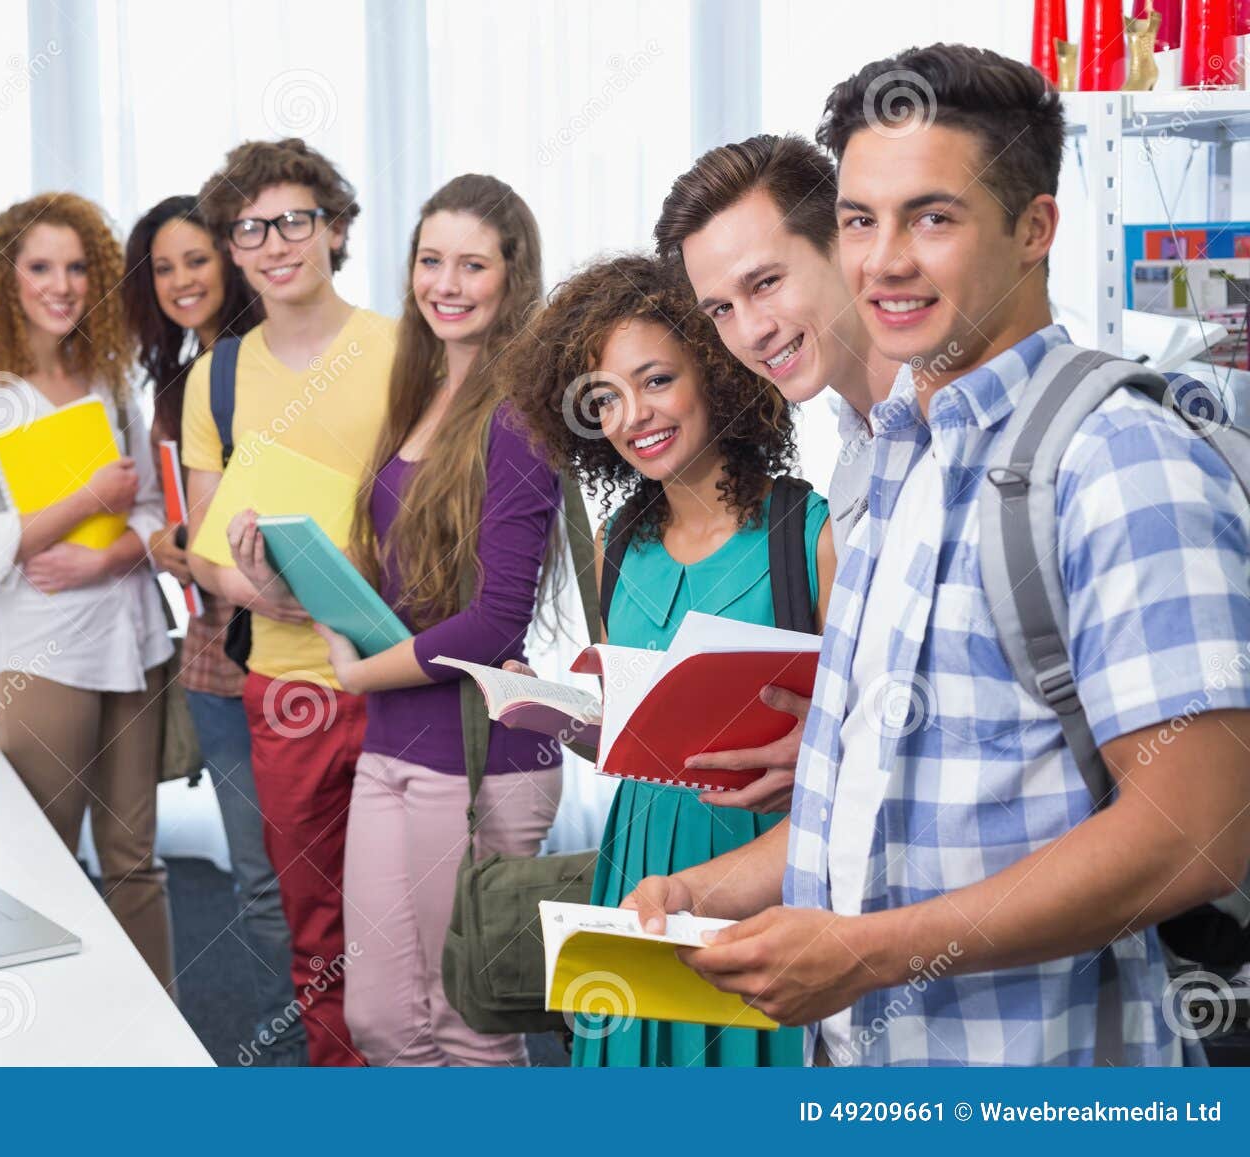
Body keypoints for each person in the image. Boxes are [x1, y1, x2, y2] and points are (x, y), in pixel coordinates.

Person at [626, 43, 1250, 1067]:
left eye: (931, 218)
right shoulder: (889, 463)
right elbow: (872, 810)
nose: (883, 261)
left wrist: (867, 954)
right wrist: (700, 892)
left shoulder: (1118, 457)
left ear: (1034, 229)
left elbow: (1194, 831)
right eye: (859, 221)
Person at [253, 174, 566, 1065]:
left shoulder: (518, 417)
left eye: (473, 264)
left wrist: (359, 674)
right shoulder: (419, 396)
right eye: (432, 261)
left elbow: (494, 622)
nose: (446, 284)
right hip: (394, 742)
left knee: (469, 1027)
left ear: (513, 277)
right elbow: (401, 588)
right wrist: (281, 572)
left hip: (478, 756)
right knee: (382, 1021)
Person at [505, 254, 835, 1067]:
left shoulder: (810, 535)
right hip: (642, 852)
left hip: (770, 855)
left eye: (656, 380)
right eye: (606, 398)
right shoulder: (616, 543)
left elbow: (855, 744)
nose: (634, 415)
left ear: (715, 373)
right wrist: (555, 713)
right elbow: (645, 736)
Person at [182, 138, 396, 1067]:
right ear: (233, 248)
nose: (274, 244)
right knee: (316, 927)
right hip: (287, 687)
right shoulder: (218, 376)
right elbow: (203, 544)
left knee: (416, 916)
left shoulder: (403, 351)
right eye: (251, 228)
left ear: (335, 229)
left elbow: (446, 515)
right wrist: (259, 588)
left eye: (294, 221)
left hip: (398, 674)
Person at [0, 191, 175, 991]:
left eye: (77, 268)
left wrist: (103, 560)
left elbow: (151, 509)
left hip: (132, 642)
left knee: (136, 861)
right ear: (4, 279)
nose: (62, 285)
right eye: (40, 267)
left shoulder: (109, 382)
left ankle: (157, 1036)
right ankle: (52, 1038)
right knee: (44, 863)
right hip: (39, 658)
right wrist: (83, 504)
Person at [651, 132, 898, 814]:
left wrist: (836, 745)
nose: (751, 331)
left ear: (844, 244)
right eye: (721, 310)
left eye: (765, 283)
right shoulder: (854, 466)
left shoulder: (954, 438)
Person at [121, 194, 304, 1062]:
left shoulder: (274, 368)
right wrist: (169, 541)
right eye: (163, 267)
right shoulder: (175, 384)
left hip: (297, 654)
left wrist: (195, 547)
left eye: (196, 259)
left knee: (321, 875)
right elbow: (188, 515)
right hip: (215, 661)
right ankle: (284, 1055)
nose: (181, 280)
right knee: (258, 879)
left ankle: (346, 1049)